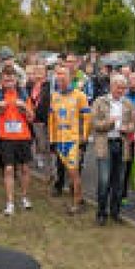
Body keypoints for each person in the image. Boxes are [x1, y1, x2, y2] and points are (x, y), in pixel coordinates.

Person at [89, 73, 135, 225]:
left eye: (123, 88)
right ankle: (101, 213)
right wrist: (108, 123)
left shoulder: (128, 104)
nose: (120, 90)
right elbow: (94, 124)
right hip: (105, 144)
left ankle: (115, 212)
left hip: (122, 145)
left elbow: (133, 125)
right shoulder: (100, 101)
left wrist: (126, 128)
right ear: (111, 86)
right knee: (104, 180)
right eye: (118, 87)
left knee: (119, 181)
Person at [0, 66, 35, 217]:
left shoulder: (23, 93)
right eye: (6, 79)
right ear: (1, 81)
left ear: (16, 80)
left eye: (11, 79)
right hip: (6, 138)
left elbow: (31, 118)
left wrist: (25, 108)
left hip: (23, 137)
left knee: (25, 169)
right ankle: (10, 202)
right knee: (8, 169)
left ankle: (24, 197)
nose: (9, 81)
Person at [48, 63, 90, 214]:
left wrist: (83, 139)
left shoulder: (80, 96)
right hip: (60, 141)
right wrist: (52, 140)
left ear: (70, 77)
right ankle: (79, 198)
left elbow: (86, 118)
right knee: (69, 172)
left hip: (73, 140)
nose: (60, 78)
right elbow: (51, 120)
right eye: (58, 75)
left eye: (63, 75)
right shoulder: (55, 96)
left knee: (73, 172)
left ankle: (77, 204)